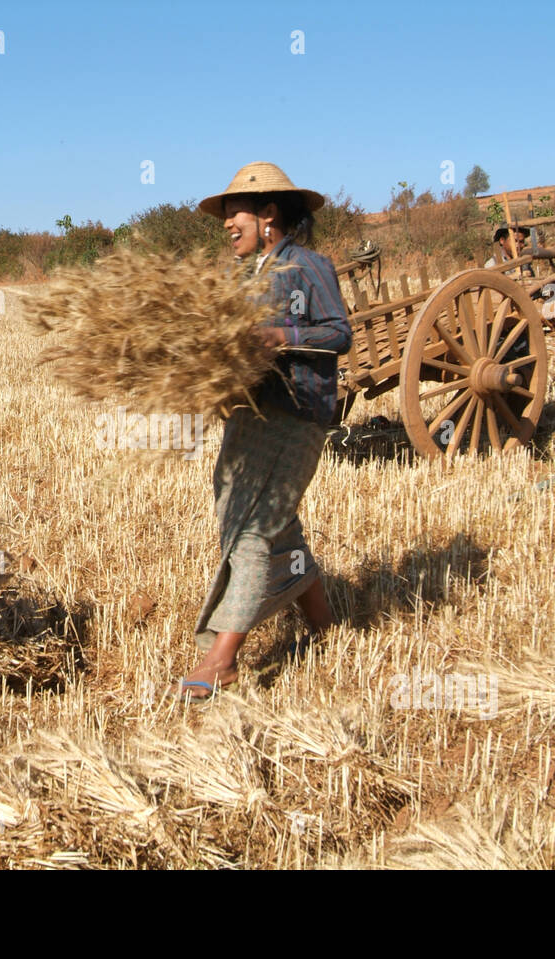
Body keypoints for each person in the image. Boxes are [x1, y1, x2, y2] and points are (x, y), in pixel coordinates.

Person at [176, 162, 353, 702]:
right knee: (271, 524)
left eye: (235, 213)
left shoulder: (307, 267)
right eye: (225, 215)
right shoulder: (251, 275)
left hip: (296, 414)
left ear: (269, 214)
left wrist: (281, 332)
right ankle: (327, 629)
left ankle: (222, 658)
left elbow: (340, 333)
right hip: (252, 414)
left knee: (253, 531)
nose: (227, 224)